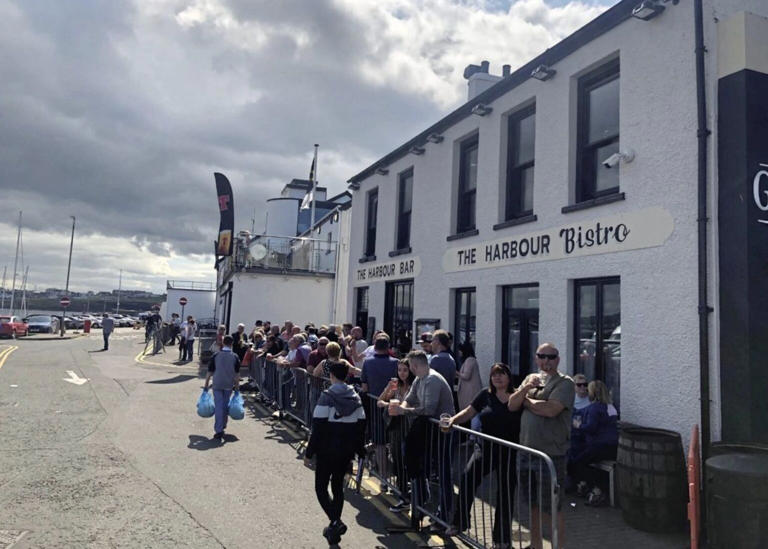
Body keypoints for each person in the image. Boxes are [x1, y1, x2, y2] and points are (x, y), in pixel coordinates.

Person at [446, 363, 521, 547]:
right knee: (468, 477)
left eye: (502, 374)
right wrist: (452, 421)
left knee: (505, 493)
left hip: (509, 452)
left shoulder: (517, 396)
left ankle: (501, 539)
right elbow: (469, 412)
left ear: (509, 377)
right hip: (485, 448)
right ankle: (459, 522)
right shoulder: (484, 395)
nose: (497, 378)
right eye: (494, 374)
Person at [508, 342, 574, 549]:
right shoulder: (530, 379)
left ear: (558, 359)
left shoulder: (565, 383)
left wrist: (526, 402)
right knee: (532, 505)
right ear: (536, 358)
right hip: (526, 451)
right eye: (541, 356)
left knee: (552, 507)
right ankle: (536, 545)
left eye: (551, 357)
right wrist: (527, 388)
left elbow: (550, 410)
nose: (546, 361)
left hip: (551, 455)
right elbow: (511, 404)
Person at [390, 350, 455, 526]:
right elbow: (410, 398)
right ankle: (421, 501)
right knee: (417, 463)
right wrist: (400, 407)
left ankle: (444, 512)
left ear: (415, 365)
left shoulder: (432, 379)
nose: (409, 369)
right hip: (428, 431)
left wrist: (403, 411)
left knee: (443, 471)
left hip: (442, 432)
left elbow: (428, 409)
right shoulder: (420, 378)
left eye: (410, 366)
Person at [305, 360, 367, 546]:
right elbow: (361, 426)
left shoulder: (326, 397)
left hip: (326, 449)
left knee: (321, 487)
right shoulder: (356, 398)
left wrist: (309, 453)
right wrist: (359, 449)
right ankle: (334, 531)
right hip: (346, 450)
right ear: (347, 376)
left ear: (331, 376)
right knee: (337, 486)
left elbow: (318, 428)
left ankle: (335, 521)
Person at [567, 380, 619, 506]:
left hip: (599, 446)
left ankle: (597, 489)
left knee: (577, 461)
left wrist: (578, 426)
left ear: (593, 393)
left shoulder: (594, 408)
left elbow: (591, 428)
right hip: (613, 447)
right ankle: (587, 486)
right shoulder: (611, 406)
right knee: (582, 459)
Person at [376, 359, 415, 511]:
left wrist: (403, 409)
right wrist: (390, 404)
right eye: (400, 370)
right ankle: (404, 496)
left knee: (409, 462)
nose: (402, 373)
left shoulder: (415, 385)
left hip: (411, 428)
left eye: (405, 370)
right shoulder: (394, 384)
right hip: (396, 428)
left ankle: (414, 496)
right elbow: (379, 401)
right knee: (398, 461)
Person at [361, 335, 399, 482]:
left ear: (375, 346)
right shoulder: (396, 362)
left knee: (380, 442)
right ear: (388, 347)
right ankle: (396, 475)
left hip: (375, 406)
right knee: (393, 440)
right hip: (393, 406)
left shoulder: (368, 362)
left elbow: (364, 387)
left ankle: (383, 476)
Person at [203, 335, 241, 440]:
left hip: (217, 384)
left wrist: (206, 385)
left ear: (223, 343)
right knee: (225, 405)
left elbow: (209, 372)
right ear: (232, 344)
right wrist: (237, 387)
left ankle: (219, 429)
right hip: (228, 384)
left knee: (219, 406)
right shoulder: (235, 357)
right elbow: (237, 375)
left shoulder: (216, 355)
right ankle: (223, 424)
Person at [456, 342, 482, 413]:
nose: (459, 353)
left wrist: (456, 373)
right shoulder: (471, 360)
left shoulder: (469, 360)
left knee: (469, 413)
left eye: (460, 351)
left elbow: (466, 376)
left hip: (470, 393)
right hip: (471, 392)